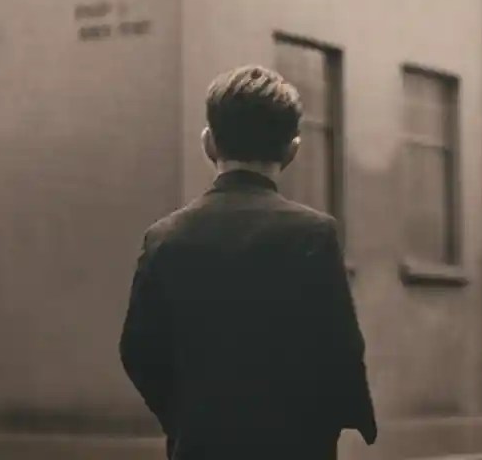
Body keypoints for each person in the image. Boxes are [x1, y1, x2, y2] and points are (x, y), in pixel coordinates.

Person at [119, 65, 378, 460]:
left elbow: (138, 349)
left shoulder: (165, 237)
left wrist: (184, 417)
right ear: (292, 149)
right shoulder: (313, 234)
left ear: (209, 143)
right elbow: (339, 347)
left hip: (201, 444)